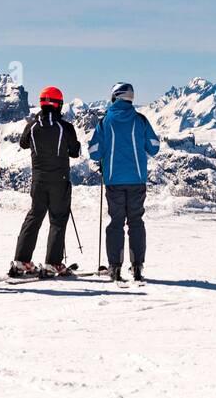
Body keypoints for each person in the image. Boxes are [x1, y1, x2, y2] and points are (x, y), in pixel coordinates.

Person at [88, 82, 160, 286]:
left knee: (116, 223)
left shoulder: (105, 122)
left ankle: (115, 267)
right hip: (137, 179)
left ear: (114, 97)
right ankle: (137, 267)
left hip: (113, 180)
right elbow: (154, 147)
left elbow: (94, 152)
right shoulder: (140, 120)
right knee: (136, 221)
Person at [11, 86, 81, 276]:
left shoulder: (33, 126)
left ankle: (21, 261)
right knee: (57, 220)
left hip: (38, 180)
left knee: (34, 217)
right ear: (58, 105)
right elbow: (75, 152)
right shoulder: (65, 127)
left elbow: (23, 143)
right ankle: (53, 263)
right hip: (60, 180)